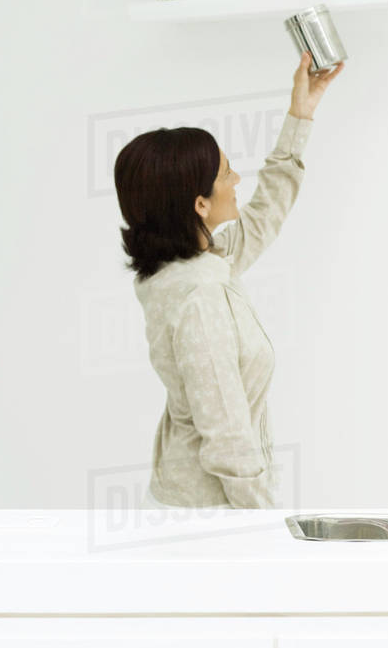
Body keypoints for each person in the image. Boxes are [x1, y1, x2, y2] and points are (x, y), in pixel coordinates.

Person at [113, 52, 344, 508]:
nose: (237, 178)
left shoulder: (192, 266)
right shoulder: (200, 297)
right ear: (199, 204)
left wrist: (301, 113)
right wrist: (264, 524)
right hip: (207, 514)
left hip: (198, 504)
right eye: (225, 173)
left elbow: (264, 214)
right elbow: (227, 437)